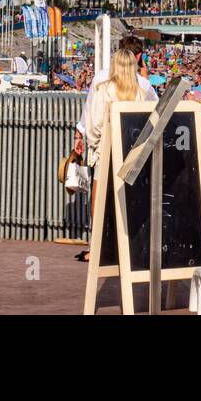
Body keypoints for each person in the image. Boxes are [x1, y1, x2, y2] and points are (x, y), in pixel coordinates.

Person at [69, 48, 157, 261]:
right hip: (133, 153)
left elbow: (94, 123)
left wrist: (93, 144)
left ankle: (98, 247)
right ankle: (131, 248)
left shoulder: (103, 89)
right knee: (130, 201)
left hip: (106, 152)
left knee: (100, 202)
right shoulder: (141, 90)